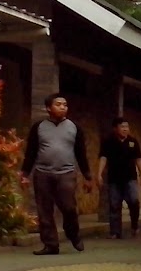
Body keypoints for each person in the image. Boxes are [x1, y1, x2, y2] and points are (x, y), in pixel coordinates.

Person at [20, 93, 92, 255]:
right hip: (42, 174)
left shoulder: (74, 127)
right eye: (58, 104)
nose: (62, 107)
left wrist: (87, 176)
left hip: (66, 173)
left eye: (65, 105)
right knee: (44, 211)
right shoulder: (38, 127)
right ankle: (51, 244)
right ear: (48, 108)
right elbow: (31, 152)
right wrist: (24, 174)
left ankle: (73, 233)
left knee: (69, 207)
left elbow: (81, 153)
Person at [97, 116, 141, 239]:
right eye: (122, 127)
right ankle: (115, 232)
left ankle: (134, 225)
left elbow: (139, 160)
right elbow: (103, 158)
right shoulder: (108, 141)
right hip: (114, 179)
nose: (125, 129)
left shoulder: (133, 142)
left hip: (130, 178)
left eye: (127, 127)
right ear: (115, 128)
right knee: (114, 205)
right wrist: (99, 174)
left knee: (134, 201)